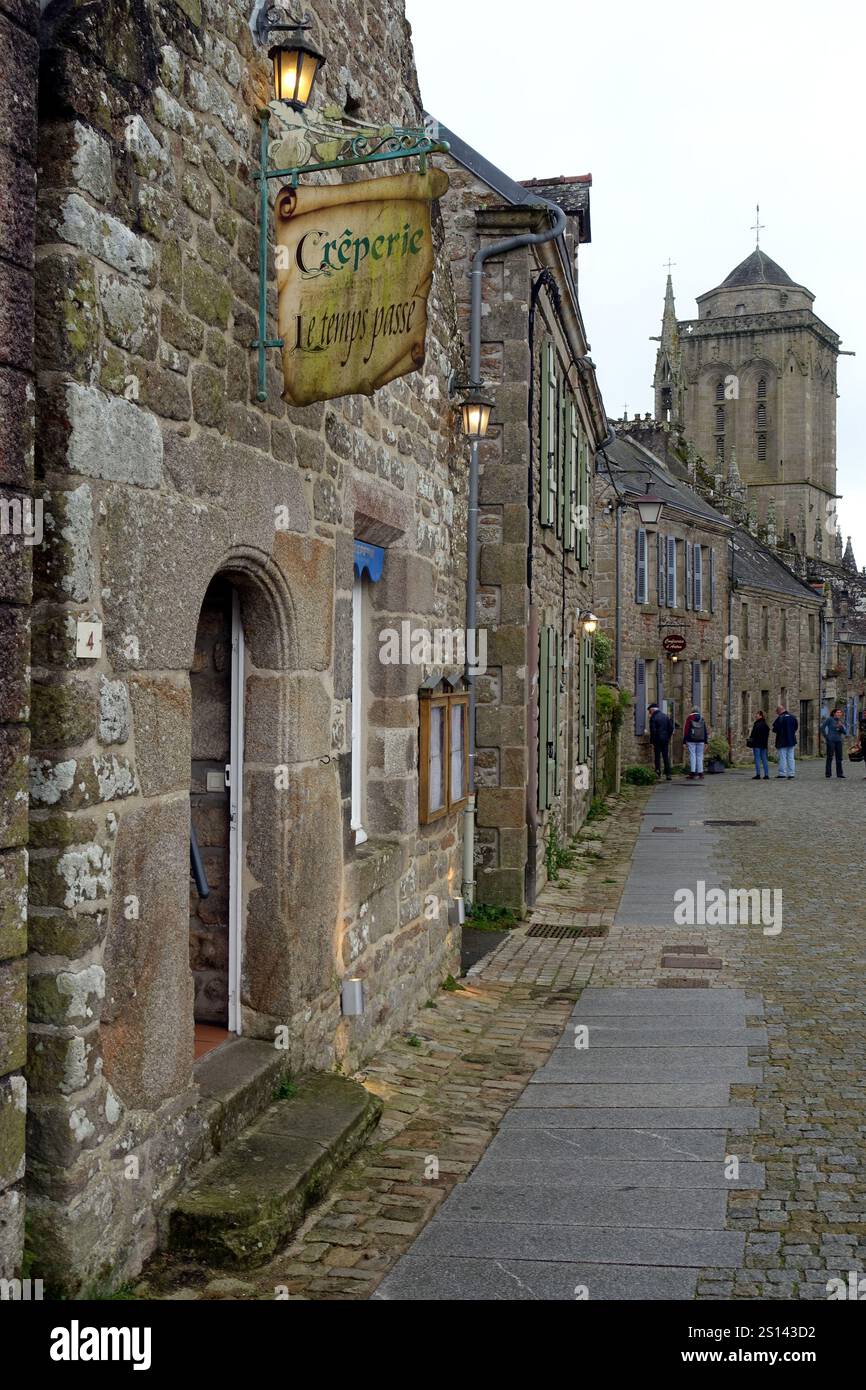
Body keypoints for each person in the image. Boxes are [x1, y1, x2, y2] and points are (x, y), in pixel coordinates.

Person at [648, 702, 674, 781]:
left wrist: (652, 741)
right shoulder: (665, 716)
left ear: (652, 710)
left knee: (657, 757)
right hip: (665, 739)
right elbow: (671, 728)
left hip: (657, 740)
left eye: (649, 711)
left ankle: (658, 773)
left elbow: (653, 730)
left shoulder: (653, 717)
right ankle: (668, 774)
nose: (649, 713)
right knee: (666, 756)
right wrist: (668, 737)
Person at [771, 703, 799, 779]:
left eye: (777, 712)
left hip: (782, 740)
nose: (777, 713)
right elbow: (796, 727)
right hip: (791, 740)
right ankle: (791, 773)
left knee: (782, 757)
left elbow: (775, 728)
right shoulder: (793, 717)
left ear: (779, 711)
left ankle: (782, 773)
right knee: (791, 757)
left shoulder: (780, 718)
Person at [683, 706, 709, 780]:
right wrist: (706, 741)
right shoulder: (701, 718)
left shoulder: (689, 718)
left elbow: (686, 730)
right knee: (700, 756)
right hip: (701, 740)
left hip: (691, 740)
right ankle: (701, 773)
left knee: (692, 755)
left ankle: (693, 772)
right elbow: (704, 730)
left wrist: (684, 741)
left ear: (692, 711)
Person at [821, 706, 848, 779]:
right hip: (831, 741)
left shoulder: (841, 721)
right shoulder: (830, 719)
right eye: (837, 712)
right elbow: (822, 727)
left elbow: (845, 732)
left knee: (839, 758)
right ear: (834, 713)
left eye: (840, 712)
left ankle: (840, 774)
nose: (839, 714)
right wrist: (826, 737)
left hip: (838, 741)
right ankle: (828, 773)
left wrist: (841, 727)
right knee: (830, 757)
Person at [749, 710, 770, 780]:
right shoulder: (766, 725)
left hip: (757, 744)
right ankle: (766, 774)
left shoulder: (757, 724)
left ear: (761, 715)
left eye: (757, 714)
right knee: (764, 759)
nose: (756, 716)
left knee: (757, 759)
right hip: (763, 744)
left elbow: (753, 735)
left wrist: (750, 741)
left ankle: (758, 774)